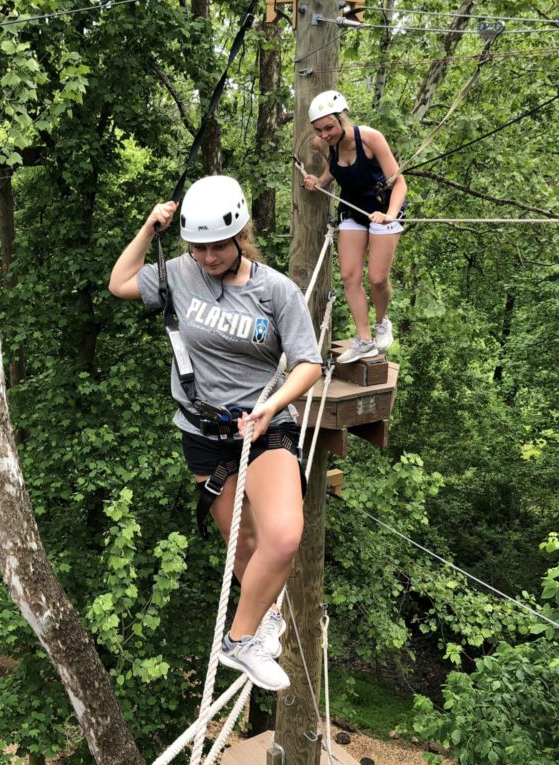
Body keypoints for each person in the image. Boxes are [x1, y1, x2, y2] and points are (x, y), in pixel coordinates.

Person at [109, 175, 323, 691]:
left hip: (263, 425)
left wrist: (272, 405)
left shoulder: (275, 291)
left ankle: (240, 639)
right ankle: (262, 617)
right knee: (244, 546)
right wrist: (147, 227)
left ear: (240, 235)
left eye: (218, 246)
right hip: (204, 434)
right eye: (198, 247)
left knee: (284, 536)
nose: (207, 257)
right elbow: (120, 282)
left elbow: (309, 363)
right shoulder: (178, 274)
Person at [302, 90, 407, 363]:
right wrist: (320, 181)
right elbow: (336, 171)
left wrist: (391, 215)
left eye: (329, 127)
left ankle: (382, 321)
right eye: (319, 130)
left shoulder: (371, 139)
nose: (325, 135)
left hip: (383, 208)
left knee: (377, 278)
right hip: (352, 209)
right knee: (350, 276)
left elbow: (400, 183)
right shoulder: (323, 144)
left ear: (342, 119)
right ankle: (364, 340)